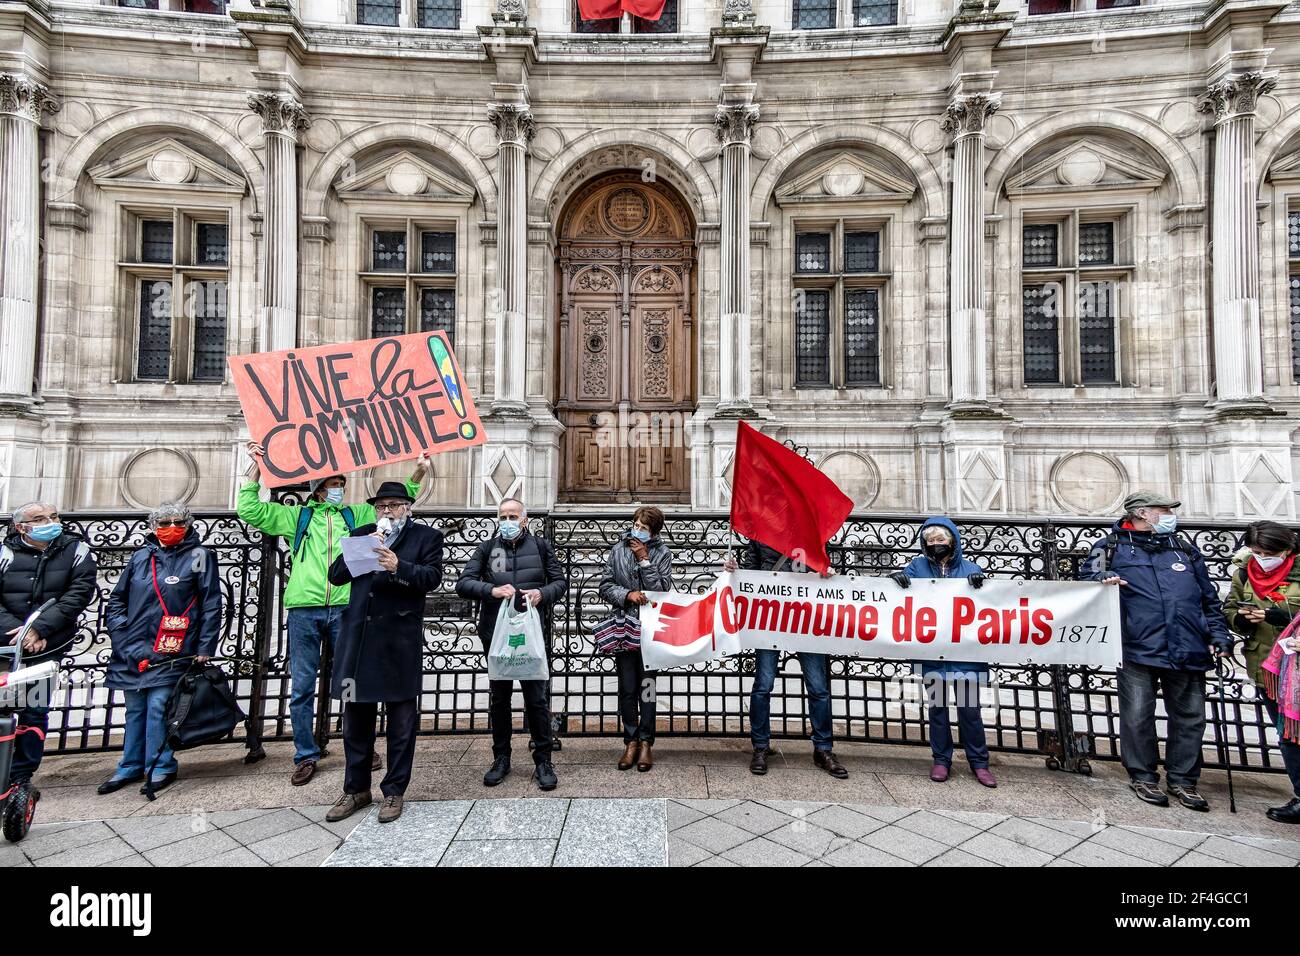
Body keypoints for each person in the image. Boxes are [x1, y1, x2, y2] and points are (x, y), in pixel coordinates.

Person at [236, 441, 429, 786]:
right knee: (302, 686)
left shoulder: (354, 516)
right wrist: (255, 468)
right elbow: (249, 509)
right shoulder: (297, 516)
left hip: (346, 608)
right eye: (330, 484)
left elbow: (397, 503)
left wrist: (418, 471)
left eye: (340, 483)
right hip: (304, 607)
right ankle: (306, 754)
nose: (337, 488)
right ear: (317, 490)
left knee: (353, 683)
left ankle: (361, 749)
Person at [1081, 489, 1232, 811]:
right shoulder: (1108, 547)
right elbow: (1085, 580)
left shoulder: (1184, 549)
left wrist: (1219, 634)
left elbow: (1208, 598)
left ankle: (1184, 780)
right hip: (1137, 645)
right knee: (1137, 715)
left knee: (1190, 718)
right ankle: (1143, 776)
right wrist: (1100, 578)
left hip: (1188, 646)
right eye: (1164, 510)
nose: (1170, 516)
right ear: (1141, 513)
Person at [323, 482, 443, 824]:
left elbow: (431, 578)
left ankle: (394, 790)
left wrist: (398, 566)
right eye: (380, 506)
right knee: (355, 721)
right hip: (360, 639)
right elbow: (336, 576)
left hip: (397, 641)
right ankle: (356, 788)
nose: (386, 511)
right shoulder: (362, 533)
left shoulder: (426, 537)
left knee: (401, 722)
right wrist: (362, 550)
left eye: (393, 505)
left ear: (407, 507)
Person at [98, 501, 221, 796]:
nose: (172, 528)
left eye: (179, 522)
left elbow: (211, 602)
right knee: (135, 708)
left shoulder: (199, 556)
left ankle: (160, 764)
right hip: (133, 646)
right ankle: (130, 764)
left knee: (159, 706)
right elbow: (117, 599)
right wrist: (120, 630)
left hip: (174, 645)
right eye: (164, 523)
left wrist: (205, 645)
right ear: (153, 527)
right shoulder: (141, 557)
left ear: (189, 525)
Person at [455, 498, 567, 792]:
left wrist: (542, 594)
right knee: (499, 699)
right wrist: (491, 590)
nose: (507, 521)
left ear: (524, 520)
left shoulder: (541, 546)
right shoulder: (487, 548)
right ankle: (501, 758)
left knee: (537, 699)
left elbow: (560, 582)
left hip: (531, 634)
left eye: (512, 516)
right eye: (503, 516)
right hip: (497, 635)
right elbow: (463, 583)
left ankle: (543, 761)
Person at [722, 538, 848, 779]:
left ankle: (823, 749)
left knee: (818, 687)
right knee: (763, 685)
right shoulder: (760, 536)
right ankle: (760, 746)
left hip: (806, 619)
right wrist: (734, 571)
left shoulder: (813, 533)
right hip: (770, 619)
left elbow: (827, 566)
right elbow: (749, 574)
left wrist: (828, 573)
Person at [0, 502, 98, 800]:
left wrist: (39, 629)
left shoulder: (76, 550)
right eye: (39, 518)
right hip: (5, 646)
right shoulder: (4, 552)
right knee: (3, 708)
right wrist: (20, 633)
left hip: (47, 647)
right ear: (21, 527)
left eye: (53, 516)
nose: (50, 522)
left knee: (35, 709)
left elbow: (78, 594)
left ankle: (20, 778)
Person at [889, 517, 996, 788]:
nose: (935, 544)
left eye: (940, 539)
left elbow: (989, 601)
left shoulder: (971, 568)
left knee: (969, 711)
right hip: (932, 654)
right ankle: (941, 759)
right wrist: (895, 579)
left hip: (965, 656)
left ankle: (979, 762)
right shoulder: (917, 567)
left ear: (952, 541)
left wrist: (981, 582)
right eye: (930, 540)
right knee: (937, 709)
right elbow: (896, 591)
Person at [1224, 521, 1300, 823]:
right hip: (1267, 666)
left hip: (1296, 664)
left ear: (1287, 549)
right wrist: (1243, 619)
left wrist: (1277, 615)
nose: (1264, 558)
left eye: (1270, 553)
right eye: (1257, 552)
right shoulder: (1244, 572)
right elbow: (1230, 609)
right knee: (1288, 734)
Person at [596, 506, 672, 772]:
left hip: (650, 629)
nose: (637, 530)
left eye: (644, 528)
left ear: (654, 532)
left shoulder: (663, 553)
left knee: (647, 687)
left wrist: (644, 561)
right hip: (624, 626)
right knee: (627, 687)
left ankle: (646, 742)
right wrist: (627, 595)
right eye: (636, 525)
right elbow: (605, 585)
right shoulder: (618, 550)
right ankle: (630, 741)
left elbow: (662, 589)